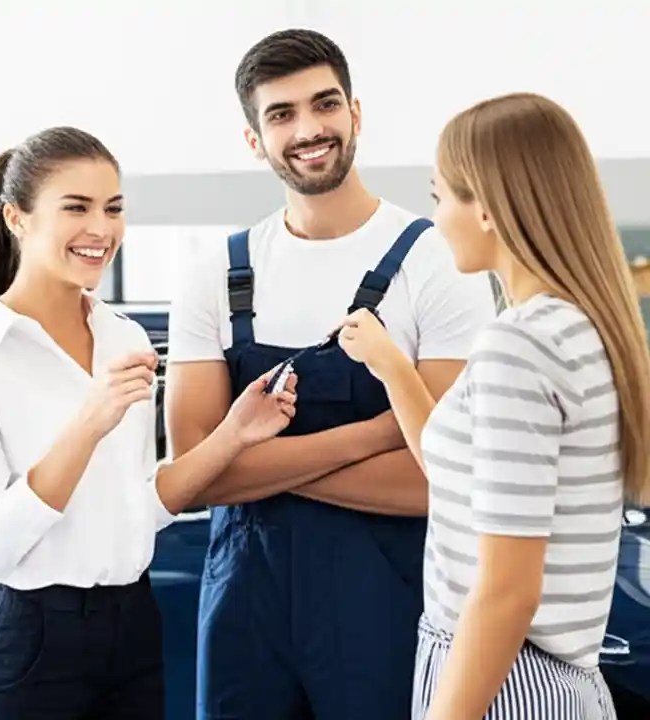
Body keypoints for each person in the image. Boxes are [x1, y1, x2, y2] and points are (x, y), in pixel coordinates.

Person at [166, 29, 499, 720]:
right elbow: (193, 474)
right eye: (281, 114)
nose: (309, 129)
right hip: (244, 616)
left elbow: (439, 481)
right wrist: (373, 435)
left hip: (387, 607)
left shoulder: (436, 261)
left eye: (324, 104)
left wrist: (251, 462)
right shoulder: (215, 274)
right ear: (254, 140)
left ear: (355, 112)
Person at [0, 126, 297, 720]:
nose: (101, 229)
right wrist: (88, 423)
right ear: (16, 218)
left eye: (113, 208)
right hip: (29, 646)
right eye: (76, 208)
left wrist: (235, 433)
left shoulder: (124, 338)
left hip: (131, 631)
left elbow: (138, 507)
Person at [338, 92, 650, 719]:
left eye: (440, 197)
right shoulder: (578, 329)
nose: (436, 219)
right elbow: (461, 477)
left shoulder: (519, 347)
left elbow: (506, 593)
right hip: (550, 683)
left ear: (484, 206)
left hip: (505, 684)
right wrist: (393, 367)